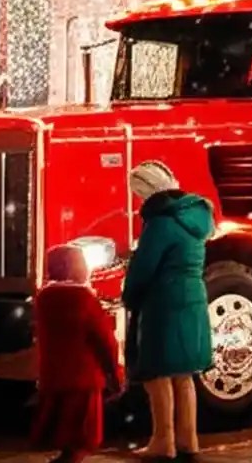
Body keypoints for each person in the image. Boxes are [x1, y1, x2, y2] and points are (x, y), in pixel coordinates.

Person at [122, 161, 214, 459]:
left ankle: (164, 440)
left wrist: (129, 295)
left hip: (164, 303)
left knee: (157, 373)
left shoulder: (161, 223)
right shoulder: (192, 218)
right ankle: (189, 439)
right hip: (192, 298)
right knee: (184, 374)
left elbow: (144, 269)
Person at [33, 245, 122, 463]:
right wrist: (114, 372)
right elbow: (104, 339)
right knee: (81, 433)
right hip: (84, 377)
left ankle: (65, 455)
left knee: (61, 424)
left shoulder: (44, 297)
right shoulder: (83, 298)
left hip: (54, 374)